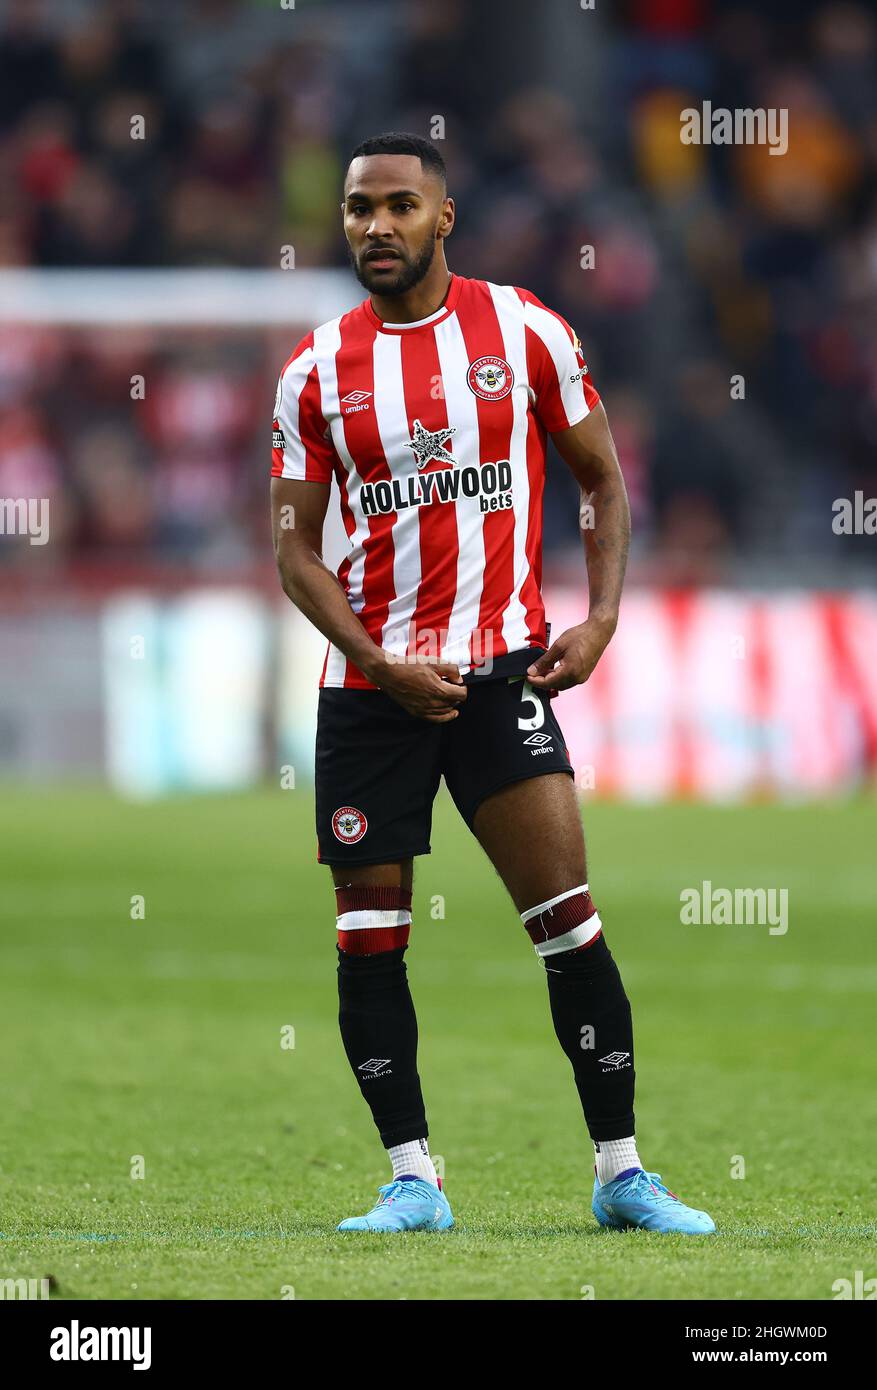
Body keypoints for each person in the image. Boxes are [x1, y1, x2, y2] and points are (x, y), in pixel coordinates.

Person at [270, 132, 715, 1236]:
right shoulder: (315, 372)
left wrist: (603, 615)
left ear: (444, 217)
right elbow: (293, 550)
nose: (375, 225)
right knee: (369, 938)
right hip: (370, 692)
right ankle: (412, 1180)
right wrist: (376, 661)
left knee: (566, 923)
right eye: (358, 208)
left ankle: (621, 1173)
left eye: (398, 206)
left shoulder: (525, 331)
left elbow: (603, 482)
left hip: (501, 672)